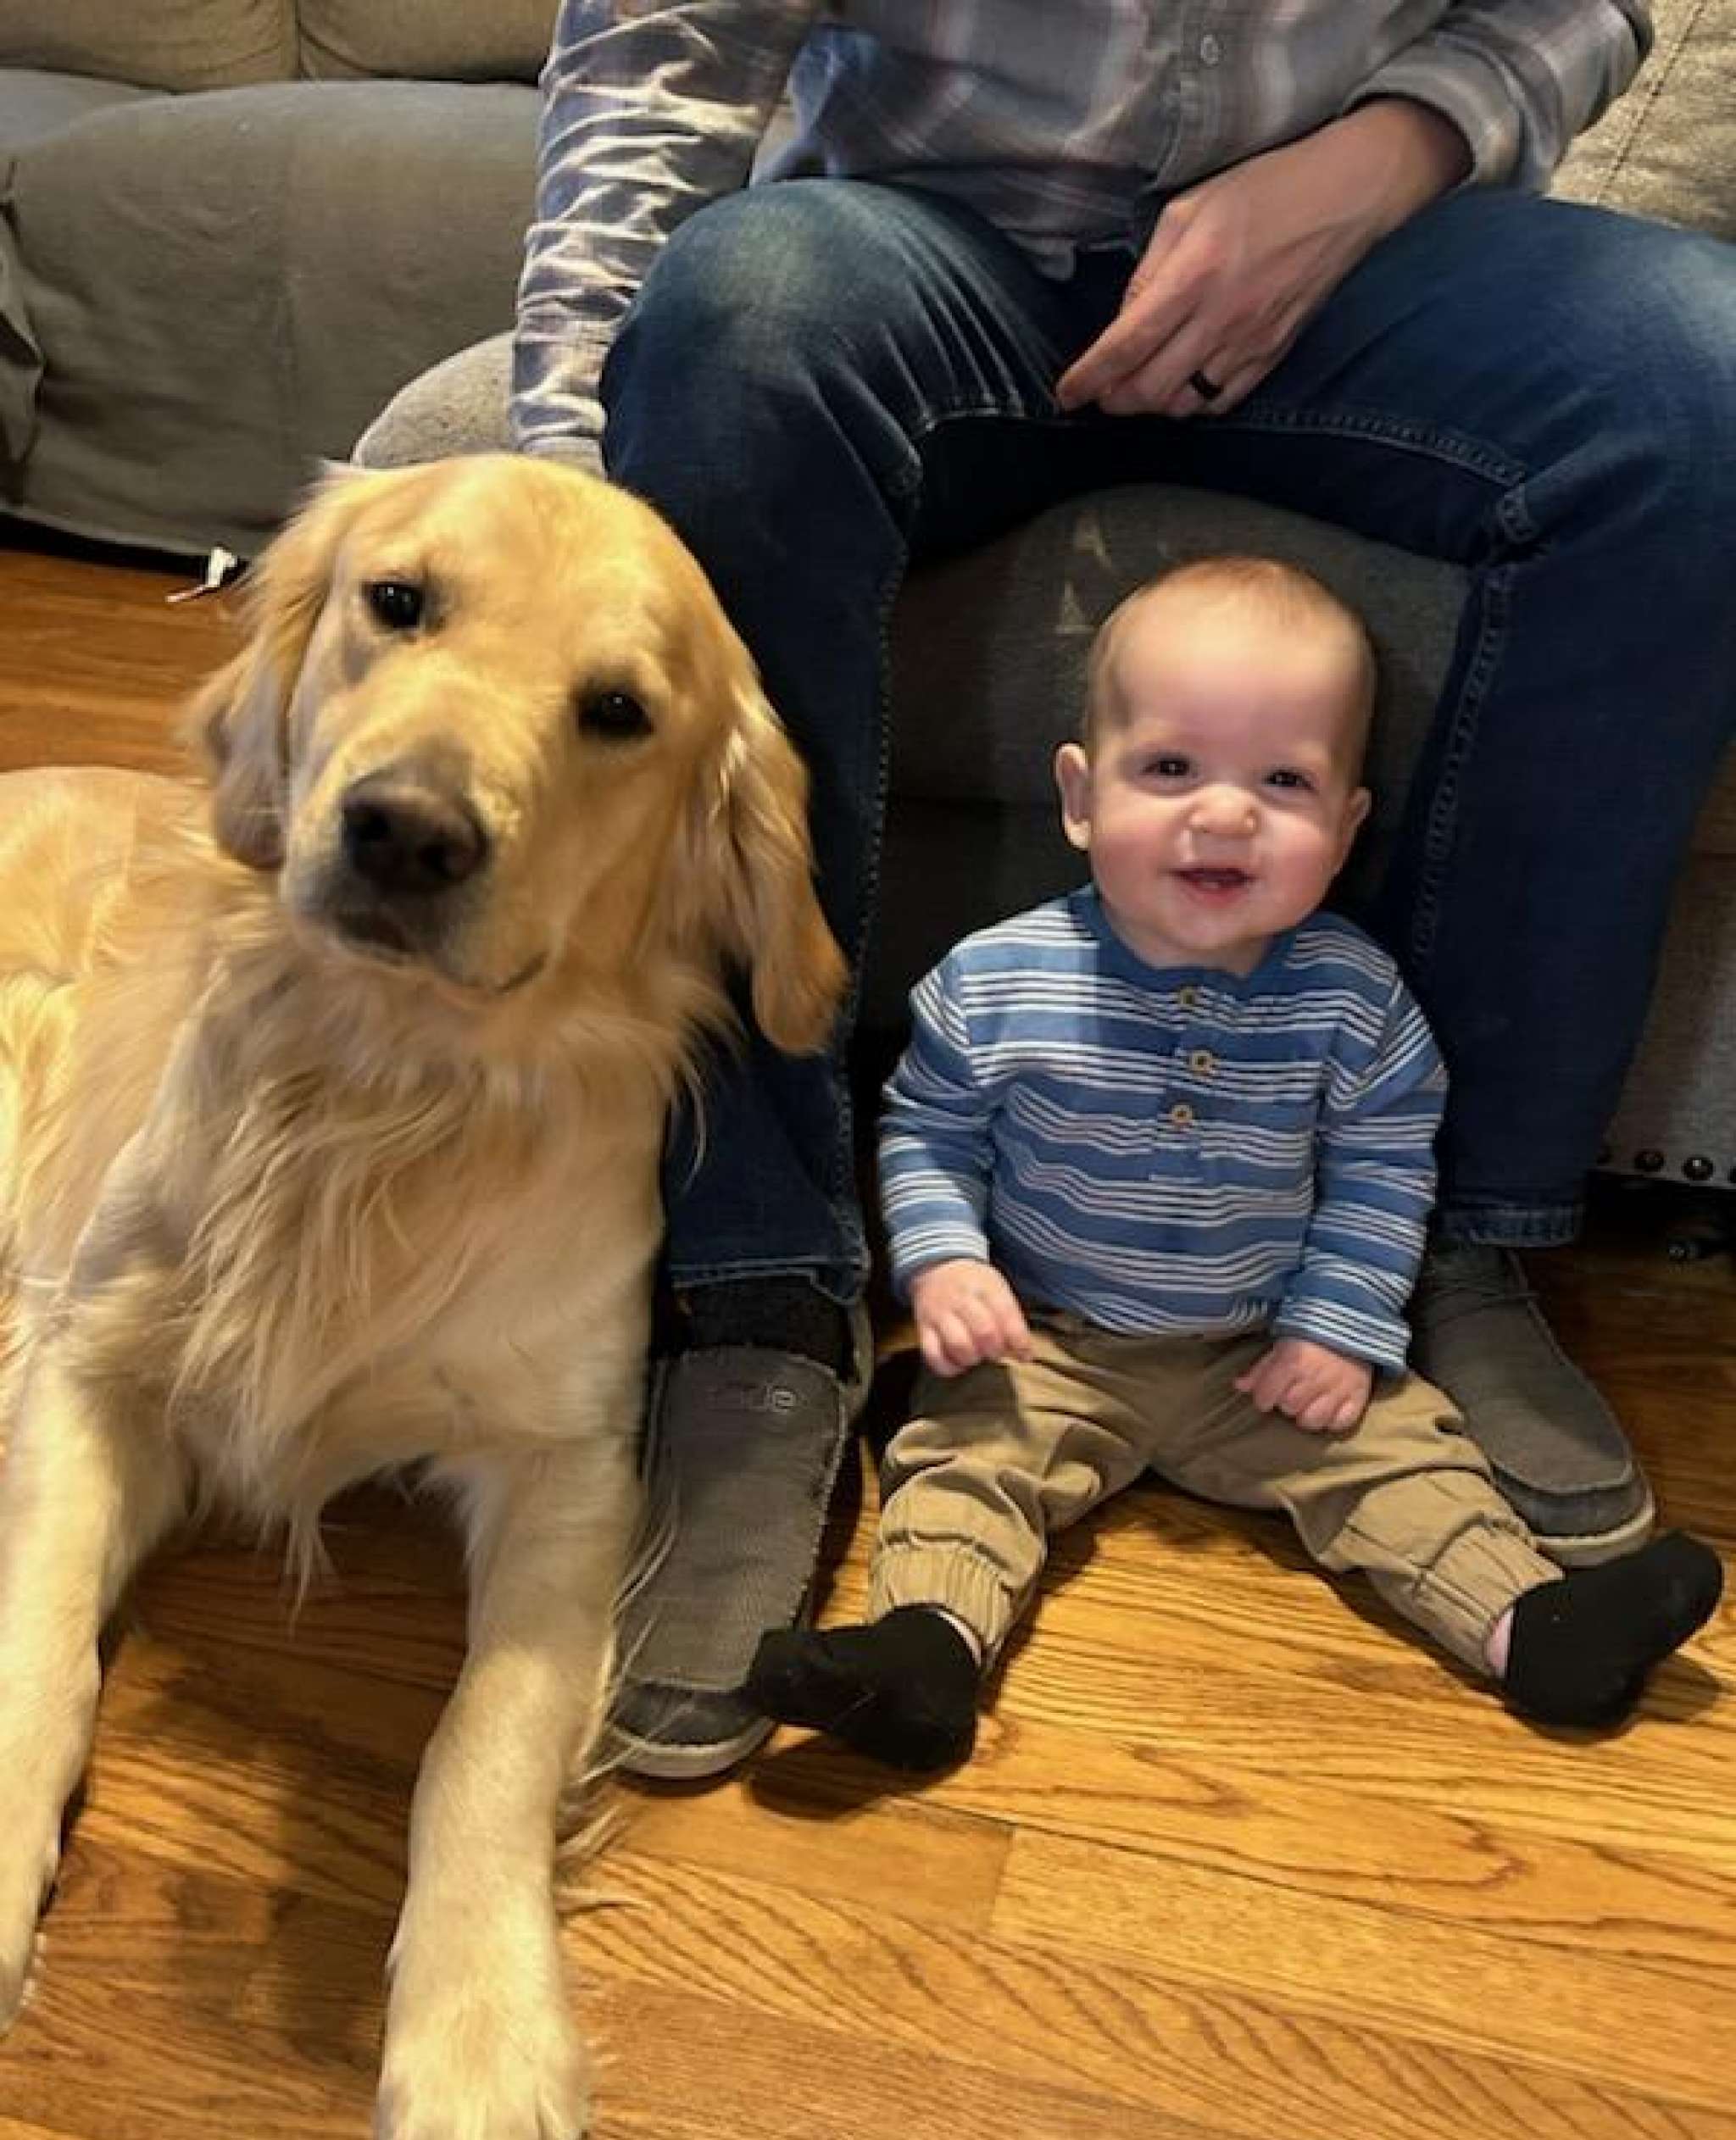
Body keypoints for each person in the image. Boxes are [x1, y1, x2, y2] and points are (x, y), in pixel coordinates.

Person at [512, 3, 1736, 1777]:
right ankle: (763, 1288)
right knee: (736, 323)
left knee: (1701, 379)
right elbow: (664, 41)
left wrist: (1373, 157)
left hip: (1365, 254)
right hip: (923, 240)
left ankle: (1464, 1240)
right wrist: (559, 491)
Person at [742, 558, 1722, 1767]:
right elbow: (928, 1135)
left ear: (1348, 823)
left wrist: (1338, 1324)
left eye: (1284, 781)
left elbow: (1381, 1171)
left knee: (1404, 1451)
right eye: (1169, 768)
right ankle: (925, 1648)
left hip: (1260, 1351)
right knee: (963, 1458)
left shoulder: (1354, 1002)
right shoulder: (993, 982)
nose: (1224, 814)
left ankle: (1531, 1623)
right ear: (1080, 795)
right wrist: (943, 1265)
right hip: (1055, 1342)